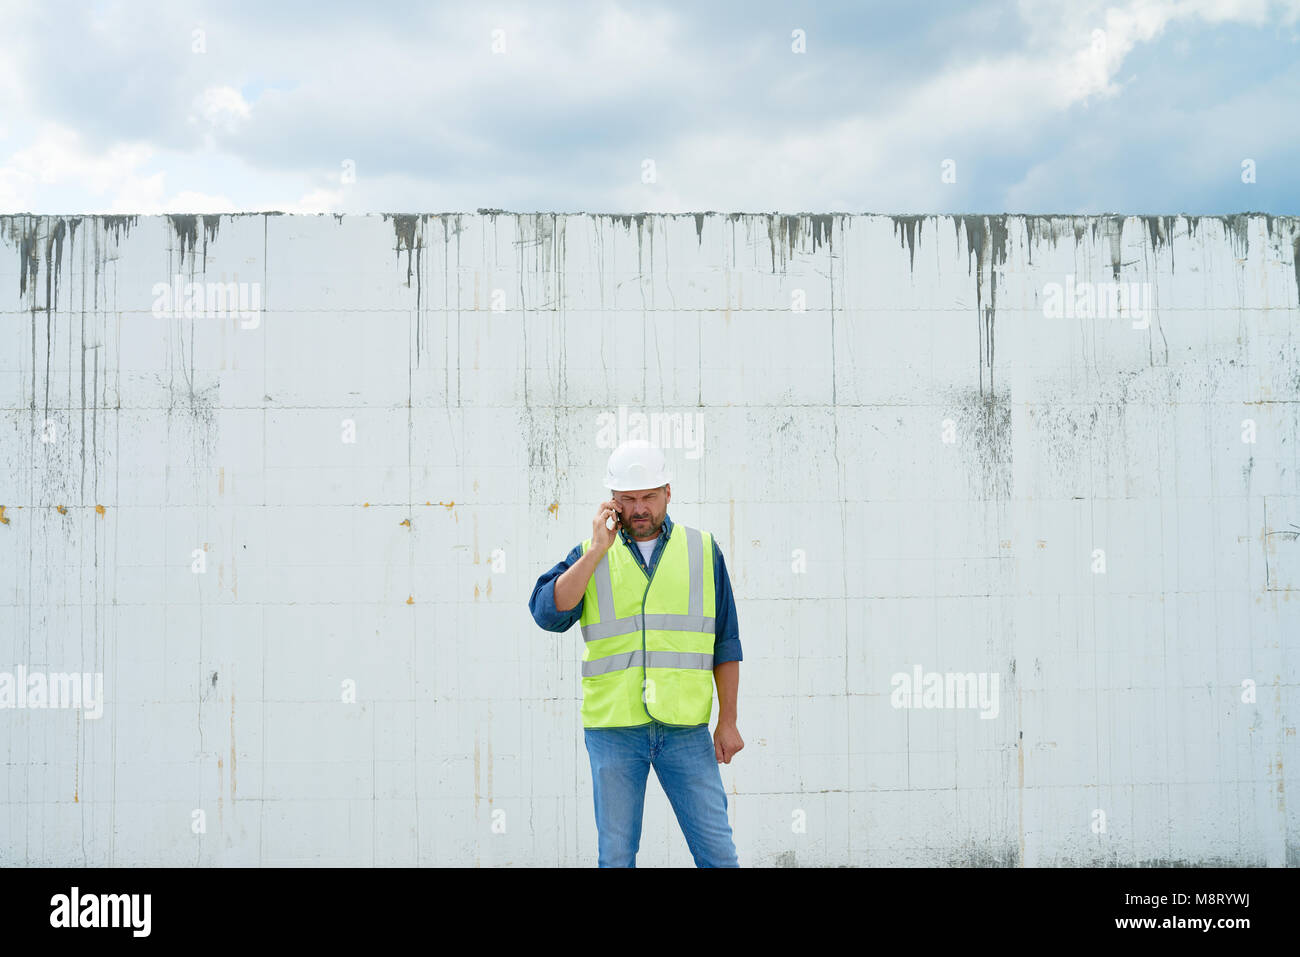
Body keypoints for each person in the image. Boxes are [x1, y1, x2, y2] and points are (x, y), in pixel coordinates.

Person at [528, 439, 743, 867]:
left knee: (718, 854)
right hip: (614, 731)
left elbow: (726, 641)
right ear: (612, 503)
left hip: (685, 729)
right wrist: (595, 551)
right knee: (617, 858)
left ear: (667, 492)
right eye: (628, 499)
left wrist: (729, 721)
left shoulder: (702, 550)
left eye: (648, 496)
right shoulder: (590, 555)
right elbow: (547, 613)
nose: (639, 508)